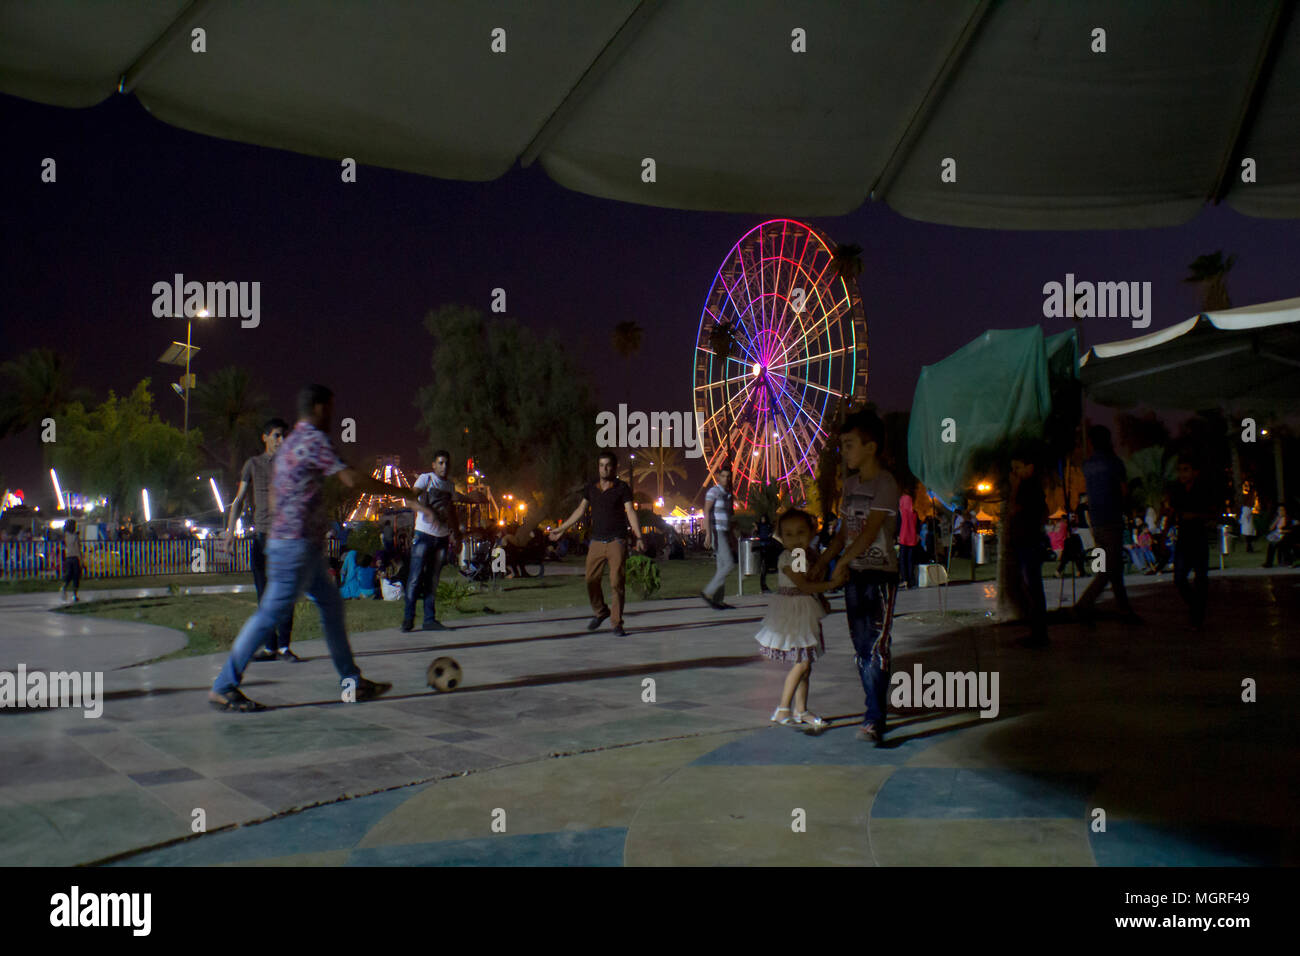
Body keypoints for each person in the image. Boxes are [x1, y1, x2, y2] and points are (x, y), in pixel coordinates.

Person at [208, 384, 436, 712]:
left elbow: (274, 494)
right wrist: (409, 495)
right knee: (270, 614)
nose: (333, 416)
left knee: (330, 607)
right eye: (330, 408)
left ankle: (352, 682)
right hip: (295, 546)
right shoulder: (314, 439)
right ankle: (224, 685)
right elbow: (352, 480)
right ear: (317, 409)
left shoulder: (287, 448)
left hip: (296, 546)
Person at [814, 409, 899, 746]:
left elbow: (869, 531)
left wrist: (842, 561)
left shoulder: (886, 484)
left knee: (877, 646)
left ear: (871, 447)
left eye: (849, 445)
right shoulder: (849, 486)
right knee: (861, 647)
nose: (844, 452)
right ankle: (873, 709)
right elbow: (843, 533)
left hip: (880, 576)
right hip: (855, 577)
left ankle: (875, 717)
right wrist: (823, 560)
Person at [221, 418, 297, 661]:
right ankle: (270, 647)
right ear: (264, 437)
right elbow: (239, 499)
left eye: (284, 436)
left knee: (283, 593)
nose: (281, 440)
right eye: (276, 435)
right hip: (260, 537)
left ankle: (284, 646)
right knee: (264, 594)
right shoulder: (252, 464)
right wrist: (230, 532)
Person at [549, 451, 645, 636]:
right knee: (591, 580)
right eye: (601, 465)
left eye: (608, 465)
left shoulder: (622, 487)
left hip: (617, 540)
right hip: (597, 541)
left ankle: (616, 623)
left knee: (617, 582)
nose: (604, 469)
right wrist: (562, 529)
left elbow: (630, 512)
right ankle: (601, 611)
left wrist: (639, 536)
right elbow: (580, 510)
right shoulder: (591, 488)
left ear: (614, 467)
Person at [758, 509, 837, 729]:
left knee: (805, 663)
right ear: (781, 536)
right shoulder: (790, 556)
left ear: (812, 532)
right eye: (789, 534)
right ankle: (783, 708)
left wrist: (821, 596)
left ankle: (800, 709)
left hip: (803, 607)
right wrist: (831, 585)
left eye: (801, 532)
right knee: (802, 663)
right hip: (795, 611)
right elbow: (803, 584)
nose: (795, 538)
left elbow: (809, 581)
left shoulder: (805, 553)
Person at [403, 450, 482, 632]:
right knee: (415, 578)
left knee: (433, 580)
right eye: (440, 463)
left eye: (446, 463)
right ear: (434, 464)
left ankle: (429, 620)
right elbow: (409, 499)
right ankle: (408, 619)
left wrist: (457, 535)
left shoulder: (449, 486)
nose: (444, 466)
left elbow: (451, 511)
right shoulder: (426, 479)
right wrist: (427, 512)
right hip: (423, 535)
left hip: (441, 538)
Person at [1073, 426, 1140, 623]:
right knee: (1109, 568)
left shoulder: (1088, 465)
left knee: (1110, 566)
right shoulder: (1114, 463)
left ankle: (1123, 607)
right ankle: (1084, 605)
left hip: (1096, 522)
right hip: (1112, 519)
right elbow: (1124, 490)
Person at [1170, 454, 1216, 629]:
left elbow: (1214, 514)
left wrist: (1195, 516)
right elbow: (1172, 512)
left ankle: (1198, 613)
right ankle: (1194, 605)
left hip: (1198, 537)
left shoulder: (1203, 490)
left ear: (1194, 472)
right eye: (1180, 470)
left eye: (1186, 470)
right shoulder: (1177, 490)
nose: (1182, 474)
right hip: (1183, 539)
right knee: (1179, 577)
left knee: (1200, 578)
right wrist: (1163, 534)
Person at [1008, 453, 1049, 646]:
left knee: (1032, 584)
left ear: (1028, 467)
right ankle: (1037, 629)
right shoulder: (1035, 486)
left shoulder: (1027, 486)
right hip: (1029, 539)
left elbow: (1015, 508)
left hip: (1028, 540)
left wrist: (1015, 487)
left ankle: (1038, 632)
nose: (1015, 473)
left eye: (1017, 468)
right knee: (1032, 585)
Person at [700, 465, 737, 609]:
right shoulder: (713, 492)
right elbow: (707, 512)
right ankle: (708, 592)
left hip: (725, 531)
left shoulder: (728, 495)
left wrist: (732, 537)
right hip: (717, 531)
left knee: (721, 567)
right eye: (723, 476)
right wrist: (708, 534)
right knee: (729, 564)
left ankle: (718, 601)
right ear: (718, 477)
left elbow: (729, 517)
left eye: (728, 476)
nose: (726, 479)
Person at [897, 484, 919, 589]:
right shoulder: (914, 513)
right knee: (910, 560)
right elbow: (917, 525)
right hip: (912, 538)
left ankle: (904, 579)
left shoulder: (901, 512)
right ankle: (911, 580)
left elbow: (897, 523)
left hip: (903, 537)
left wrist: (896, 535)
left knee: (902, 559)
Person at [60, 519, 83, 602]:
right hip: (73, 557)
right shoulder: (72, 536)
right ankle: (71, 592)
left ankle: (68, 590)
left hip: (71, 557)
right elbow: (75, 546)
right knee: (73, 576)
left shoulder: (67, 536)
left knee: (72, 576)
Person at [1263, 503, 1292, 568]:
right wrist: (1277, 520)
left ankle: (1286, 561)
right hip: (1277, 535)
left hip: (1285, 535)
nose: (1281, 512)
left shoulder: (1288, 518)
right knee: (1271, 544)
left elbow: (1291, 529)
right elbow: (1270, 528)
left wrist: (1283, 531)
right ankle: (1269, 563)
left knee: (1282, 543)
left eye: (1282, 510)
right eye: (1279, 510)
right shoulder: (1277, 518)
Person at [755, 513, 775, 593]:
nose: (763, 520)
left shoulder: (768, 526)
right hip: (762, 545)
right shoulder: (760, 526)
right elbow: (756, 534)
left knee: (766, 565)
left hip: (767, 545)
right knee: (763, 565)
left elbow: (771, 534)